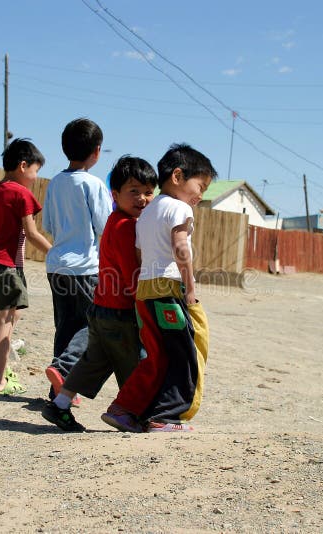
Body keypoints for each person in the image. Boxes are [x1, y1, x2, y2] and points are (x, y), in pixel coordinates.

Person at [101, 143, 216, 433]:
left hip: (145, 291)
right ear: (177, 176)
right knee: (183, 354)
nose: (201, 195)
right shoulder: (179, 207)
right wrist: (189, 287)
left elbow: (140, 255)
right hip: (168, 288)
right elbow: (181, 248)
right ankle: (165, 417)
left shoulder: (148, 212)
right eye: (200, 186)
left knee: (157, 355)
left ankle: (126, 408)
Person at [41, 156, 157, 431]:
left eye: (149, 192)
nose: (142, 198)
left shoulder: (115, 222)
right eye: (134, 191)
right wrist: (143, 299)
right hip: (121, 312)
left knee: (93, 363)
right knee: (139, 363)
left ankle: (58, 406)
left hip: (101, 308)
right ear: (115, 194)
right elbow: (131, 273)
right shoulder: (128, 227)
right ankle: (131, 413)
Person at [0, 138, 51, 395]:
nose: (36, 177)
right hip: (8, 265)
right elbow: (31, 232)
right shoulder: (22, 194)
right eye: (36, 171)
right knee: (5, 323)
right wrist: (54, 252)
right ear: (23, 165)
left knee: (11, 315)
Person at [42, 118, 113, 401]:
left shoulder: (55, 183)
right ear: (97, 151)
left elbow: (48, 224)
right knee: (93, 325)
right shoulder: (93, 184)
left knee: (66, 327)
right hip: (85, 268)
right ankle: (64, 367)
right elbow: (105, 227)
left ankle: (57, 388)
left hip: (56, 264)